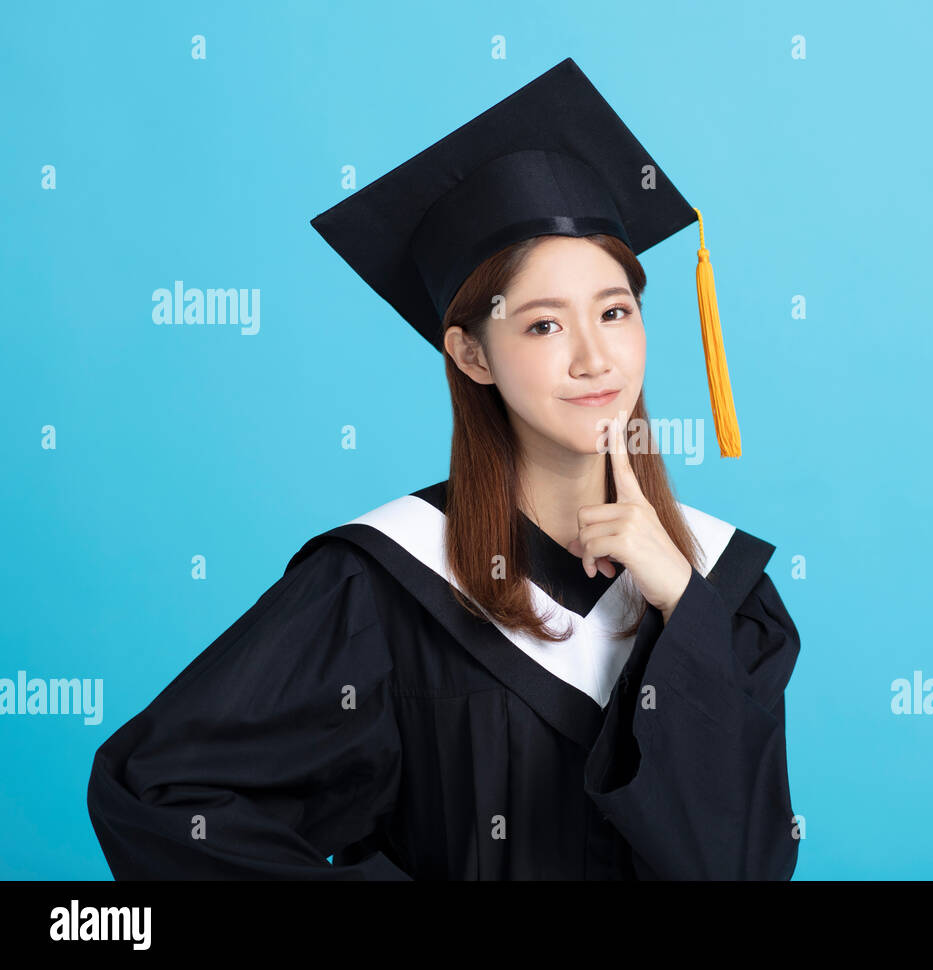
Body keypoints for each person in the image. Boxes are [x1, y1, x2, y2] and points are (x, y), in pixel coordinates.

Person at [86, 57, 801, 880]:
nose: (595, 357)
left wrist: (682, 601)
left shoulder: (724, 595)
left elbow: (741, 868)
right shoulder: (386, 584)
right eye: (541, 326)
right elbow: (162, 791)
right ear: (471, 354)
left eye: (615, 311)